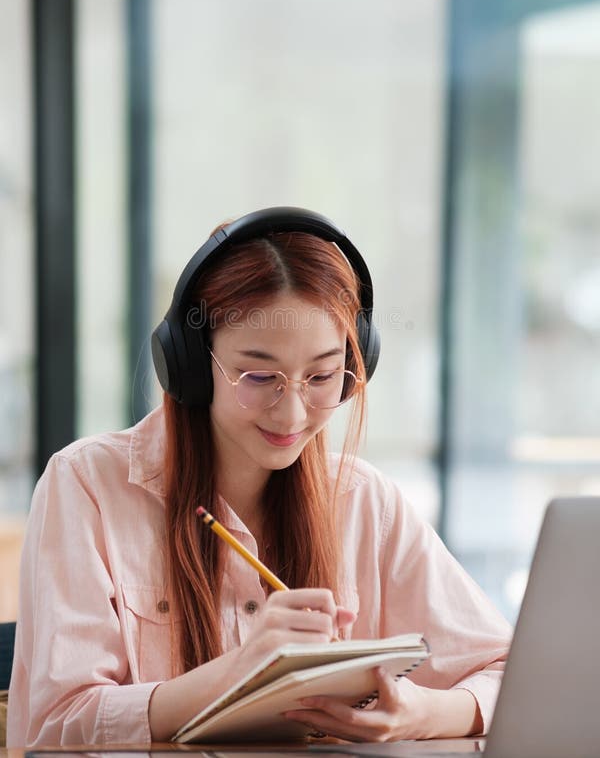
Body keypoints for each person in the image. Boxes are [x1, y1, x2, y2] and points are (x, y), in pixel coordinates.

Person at [8, 207, 511, 747]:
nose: (292, 414)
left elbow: (512, 671)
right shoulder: (86, 486)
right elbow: (55, 724)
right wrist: (241, 671)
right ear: (190, 364)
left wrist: (425, 713)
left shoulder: (365, 501)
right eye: (259, 375)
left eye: (322, 376)